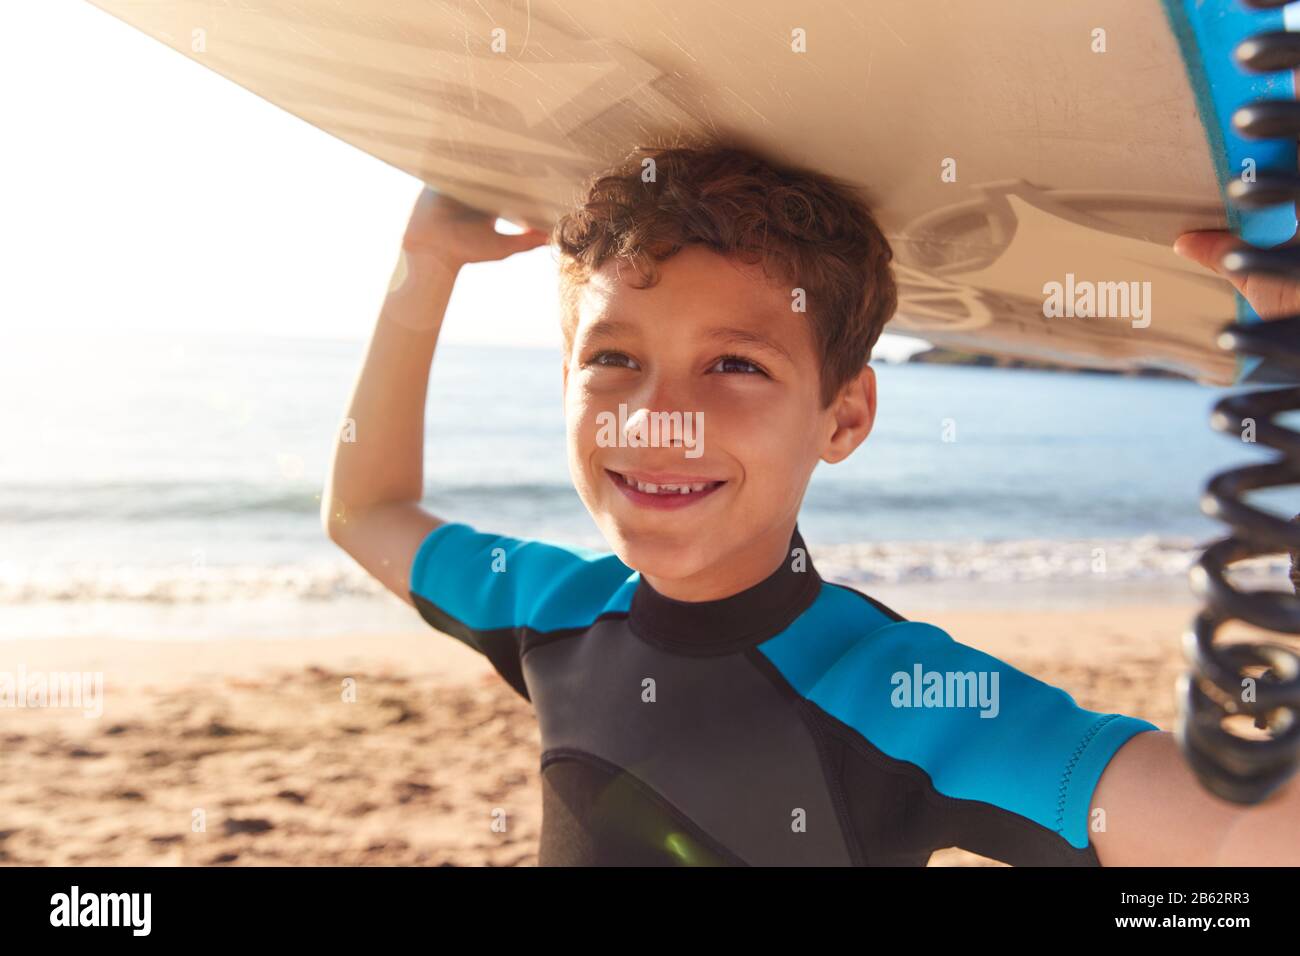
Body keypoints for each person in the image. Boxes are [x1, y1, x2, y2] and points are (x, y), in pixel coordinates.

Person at [322, 141, 1299, 865]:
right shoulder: (551, 606)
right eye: (614, 357)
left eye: (735, 364)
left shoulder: (902, 694)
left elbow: (1241, 844)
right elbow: (365, 511)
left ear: (843, 414)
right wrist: (427, 261)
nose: (660, 417)